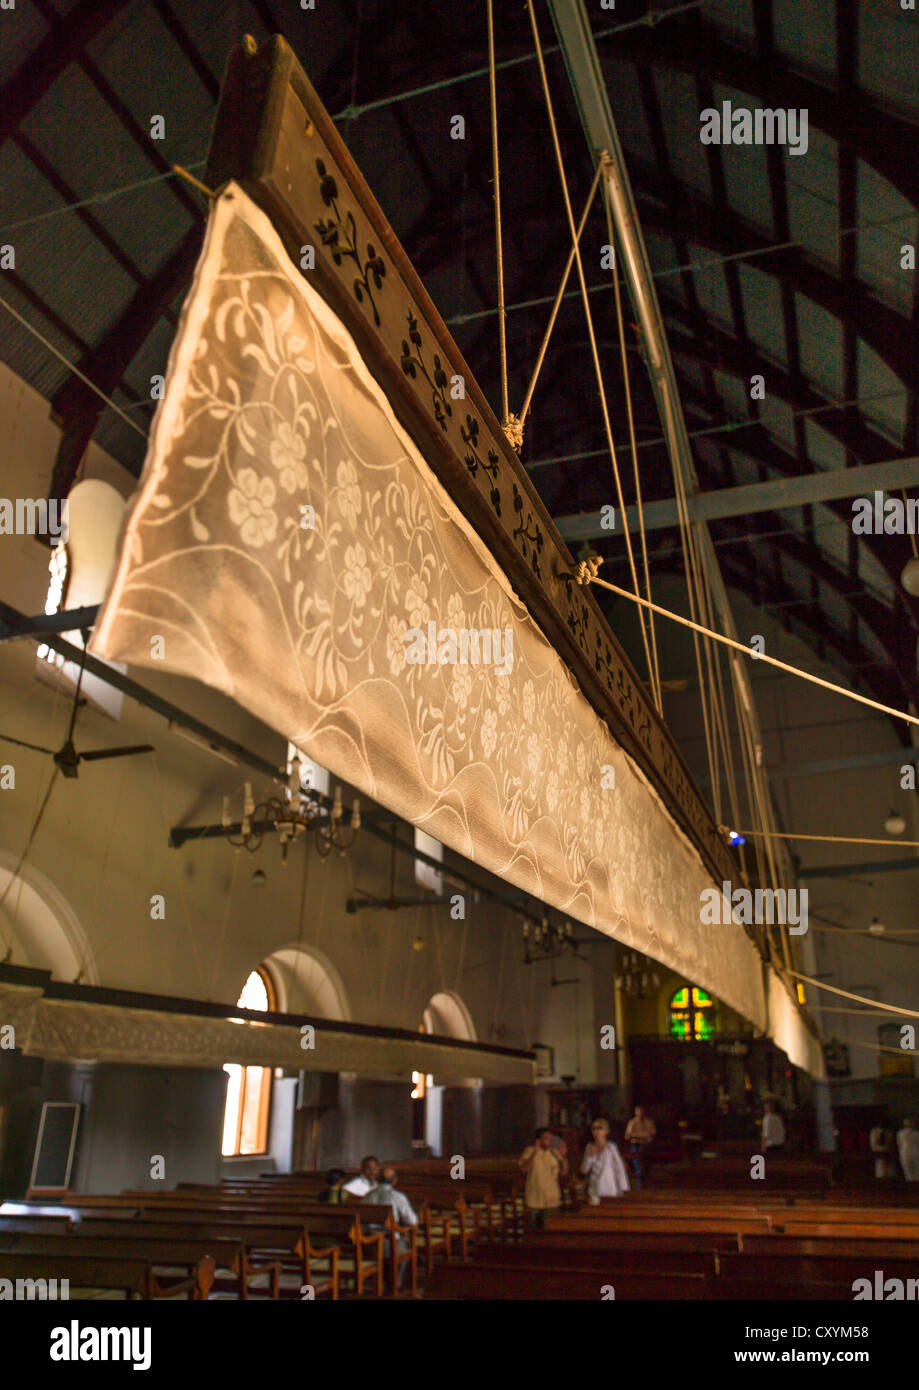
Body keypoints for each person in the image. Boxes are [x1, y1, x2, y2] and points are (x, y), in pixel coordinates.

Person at [360, 1167, 417, 1289]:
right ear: (394, 1181)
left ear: (377, 1179)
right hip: (389, 1244)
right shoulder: (397, 1196)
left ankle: (380, 1282)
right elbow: (412, 1221)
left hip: (368, 1244)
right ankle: (396, 1285)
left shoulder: (367, 1196)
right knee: (404, 1247)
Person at [518, 1128, 568, 1229]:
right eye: (546, 1138)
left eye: (550, 1139)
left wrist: (564, 1159)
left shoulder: (554, 1153)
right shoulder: (529, 1151)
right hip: (534, 1199)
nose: (549, 1141)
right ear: (539, 1140)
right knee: (533, 1231)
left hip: (551, 1198)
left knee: (549, 1229)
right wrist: (534, 1154)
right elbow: (524, 1168)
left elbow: (563, 1172)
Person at [581, 1119, 630, 1202]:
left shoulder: (611, 1147)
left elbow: (619, 1168)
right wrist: (590, 1156)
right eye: (594, 1128)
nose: (596, 1131)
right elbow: (584, 1170)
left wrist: (623, 1187)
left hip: (609, 1187)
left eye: (599, 1128)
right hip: (595, 1188)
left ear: (606, 1131)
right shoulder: (589, 1147)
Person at [624, 1105, 657, 1188]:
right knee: (636, 1158)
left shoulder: (649, 1122)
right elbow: (628, 1135)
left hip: (646, 1145)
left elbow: (652, 1133)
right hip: (635, 1144)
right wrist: (642, 1135)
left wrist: (640, 1135)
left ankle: (646, 1175)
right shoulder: (632, 1122)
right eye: (638, 1111)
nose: (639, 1113)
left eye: (641, 1111)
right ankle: (639, 1174)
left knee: (646, 1158)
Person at [897, 1117, 919, 1181]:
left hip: (904, 1154)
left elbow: (899, 1144)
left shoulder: (900, 1133)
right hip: (915, 1153)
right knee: (916, 1173)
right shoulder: (916, 1133)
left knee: (908, 1174)